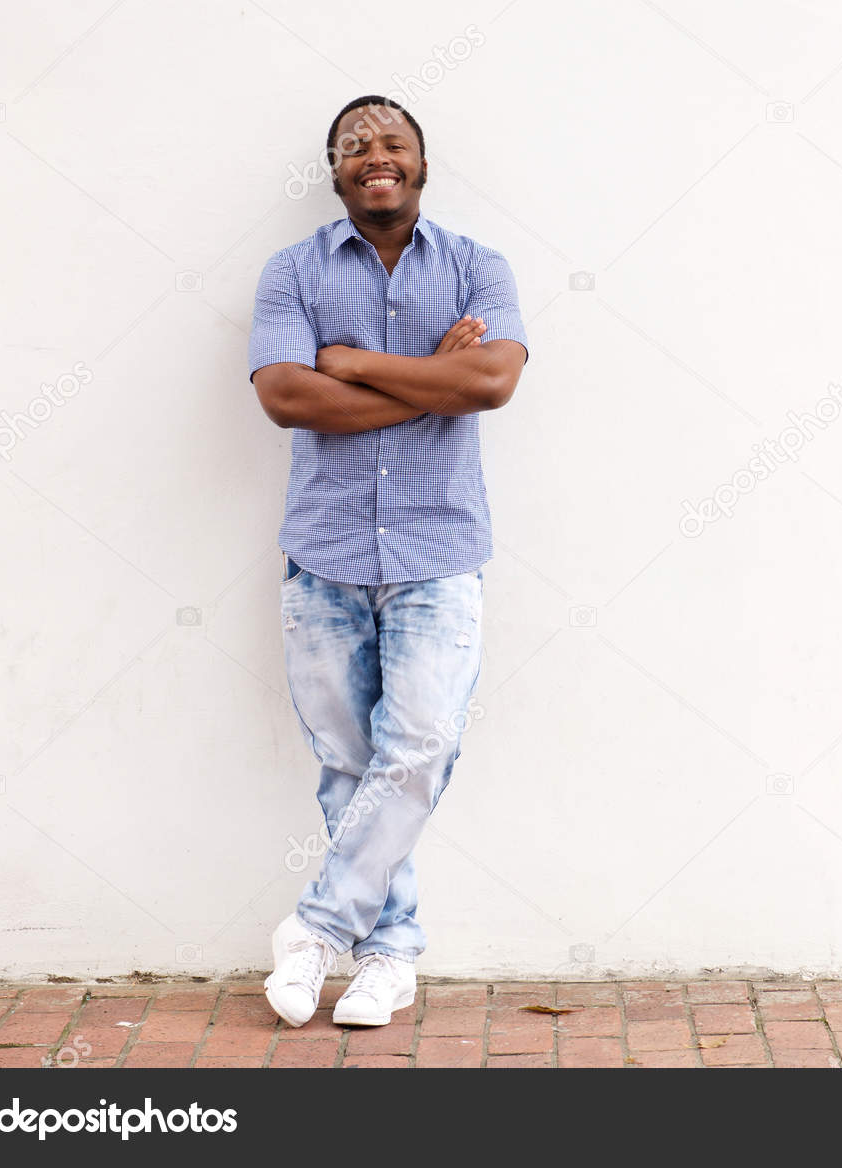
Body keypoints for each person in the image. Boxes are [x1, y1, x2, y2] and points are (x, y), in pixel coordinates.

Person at [246, 94, 527, 1027]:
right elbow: (288, 396)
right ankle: (388, 959)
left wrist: (354, 364)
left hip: (437, 551)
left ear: (420, 165)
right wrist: (427, 380)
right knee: (349, 764)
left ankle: (321, 931)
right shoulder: (292, 271)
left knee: (419, 749)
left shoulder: (478, 267)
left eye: (393, 142)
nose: (376, 154)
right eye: (355, 145)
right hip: (322, 555)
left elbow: (490, 380)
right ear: (333, 172)